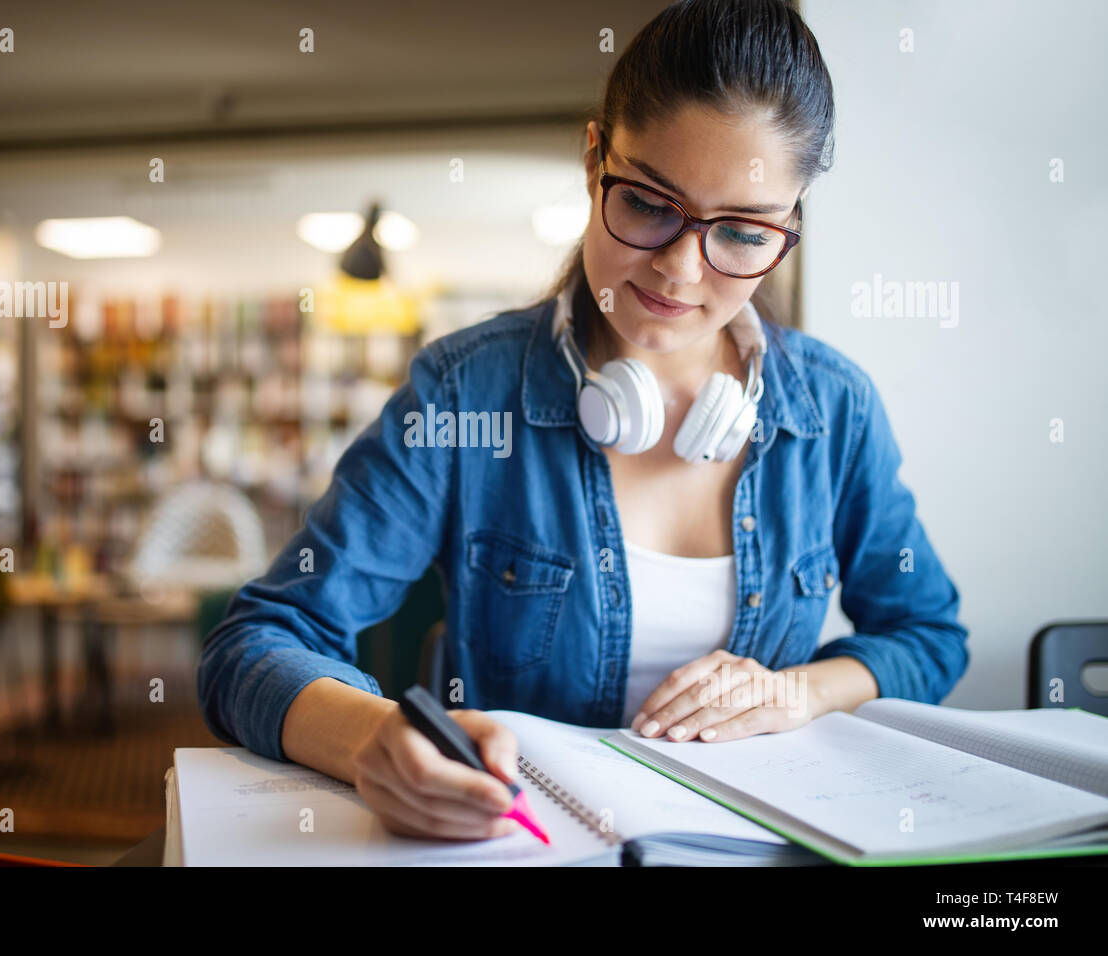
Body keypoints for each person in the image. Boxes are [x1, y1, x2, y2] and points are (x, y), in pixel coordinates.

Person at [197, 0, 968, 842]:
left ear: (786, 229)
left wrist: (800, 690)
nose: (679, 270)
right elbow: (256, 642)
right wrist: (373, 740)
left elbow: (926, 632)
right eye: (648, 204)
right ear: (595, 156)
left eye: (743, 233)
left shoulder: (834, 409)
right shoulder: (466, 394)